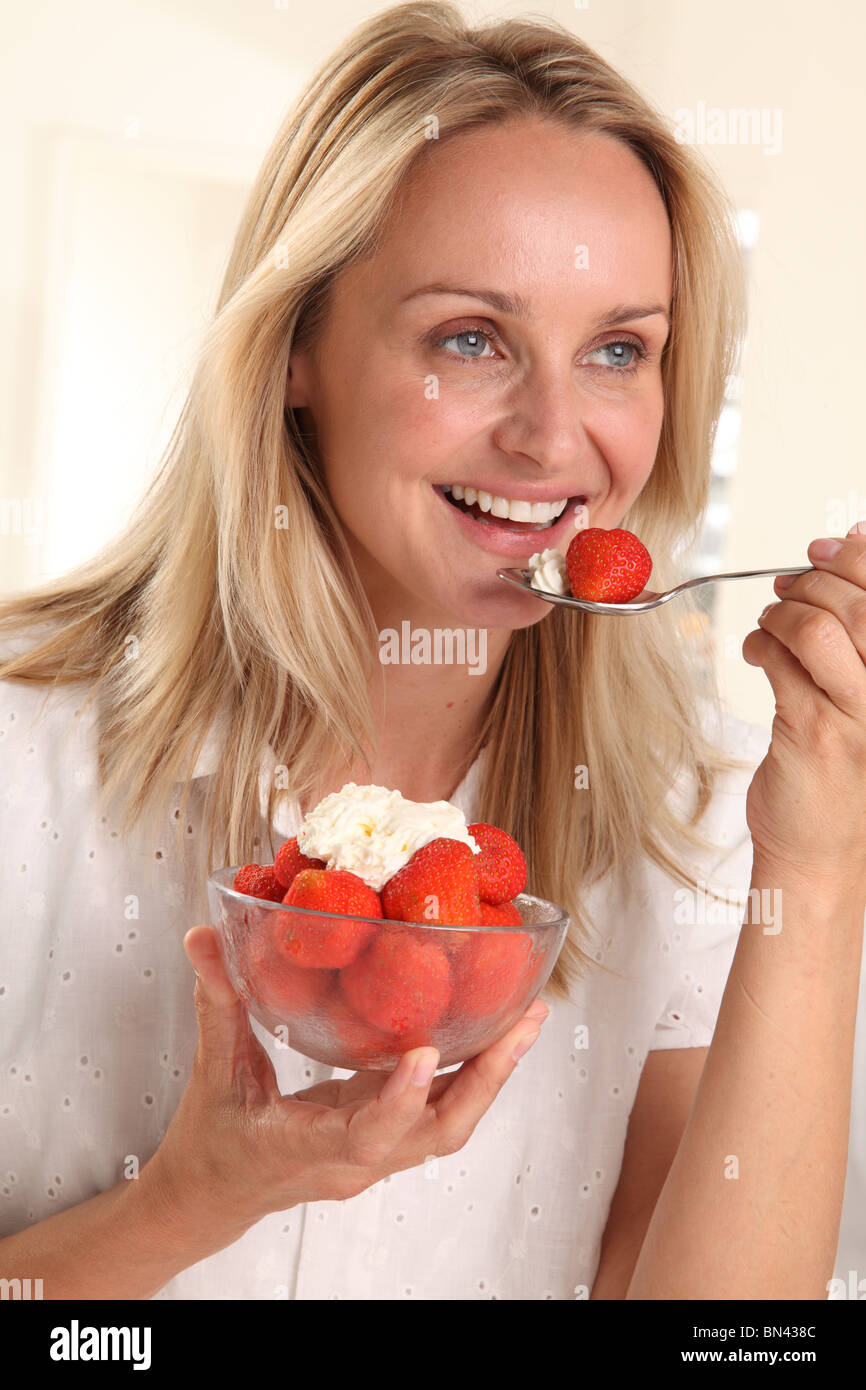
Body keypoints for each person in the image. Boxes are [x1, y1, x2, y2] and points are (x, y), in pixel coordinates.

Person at [1, 1, 864, 1301]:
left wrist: (819, 849)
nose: (554, 438)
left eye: (618, 349)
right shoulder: (25, 762)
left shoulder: (701, 820)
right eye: (471, 337)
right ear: (297, 347)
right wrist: (191, 1200)